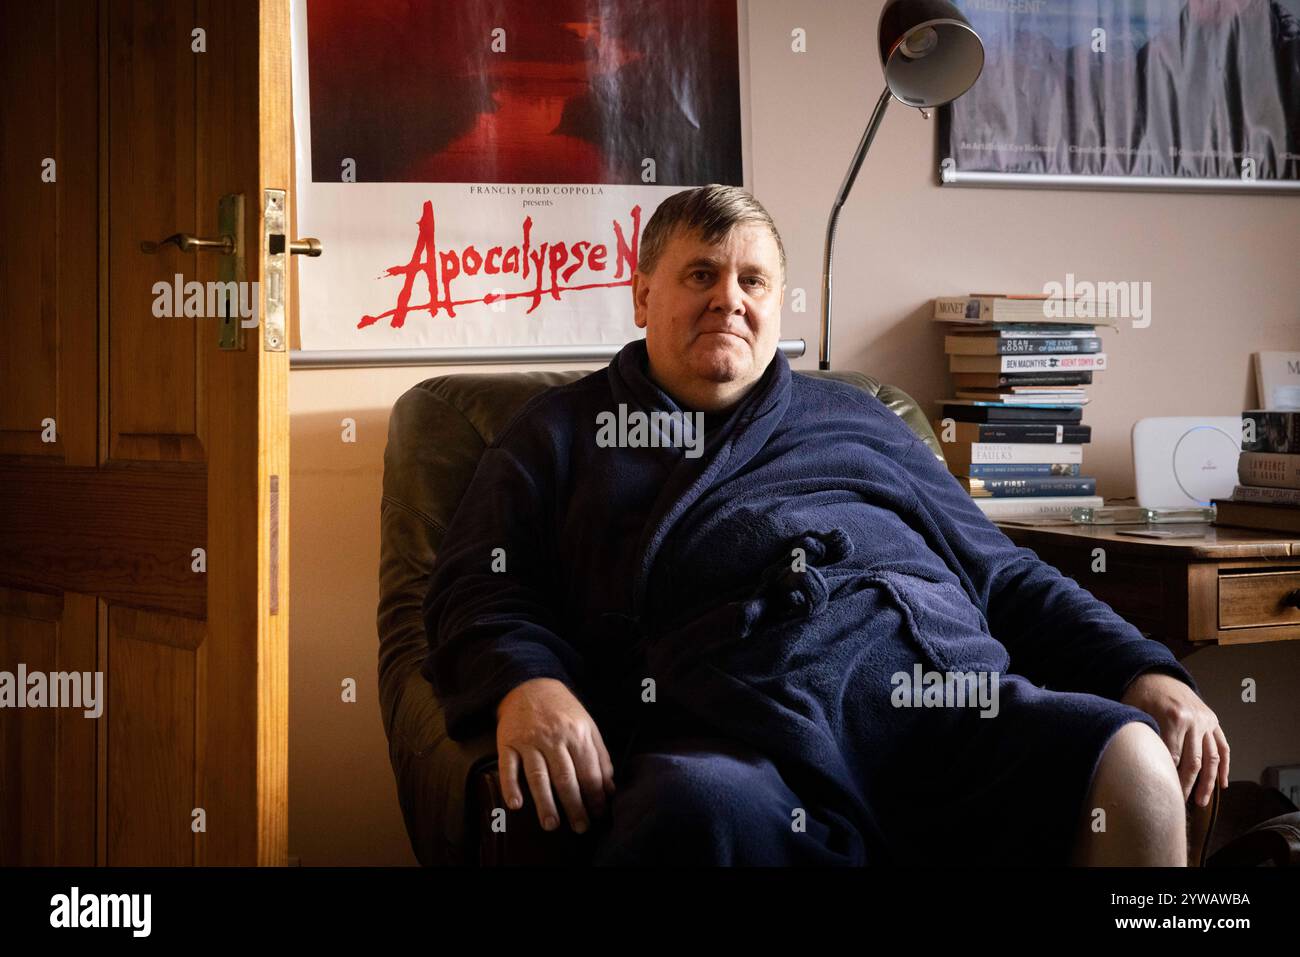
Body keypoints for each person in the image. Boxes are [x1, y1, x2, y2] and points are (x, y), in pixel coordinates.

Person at [421, 184, 1230, 866]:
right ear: (641, 295)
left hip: (950, 711)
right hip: (745, 731)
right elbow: (479, 586)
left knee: (1130, 760)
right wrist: (526, 682)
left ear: (777, 300)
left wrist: (1139, 667)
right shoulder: (559, 433)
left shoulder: (860, 416)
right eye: (699, 273)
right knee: (691, 807)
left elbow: (1006, 574)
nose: (727, 299)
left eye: (752, 280)